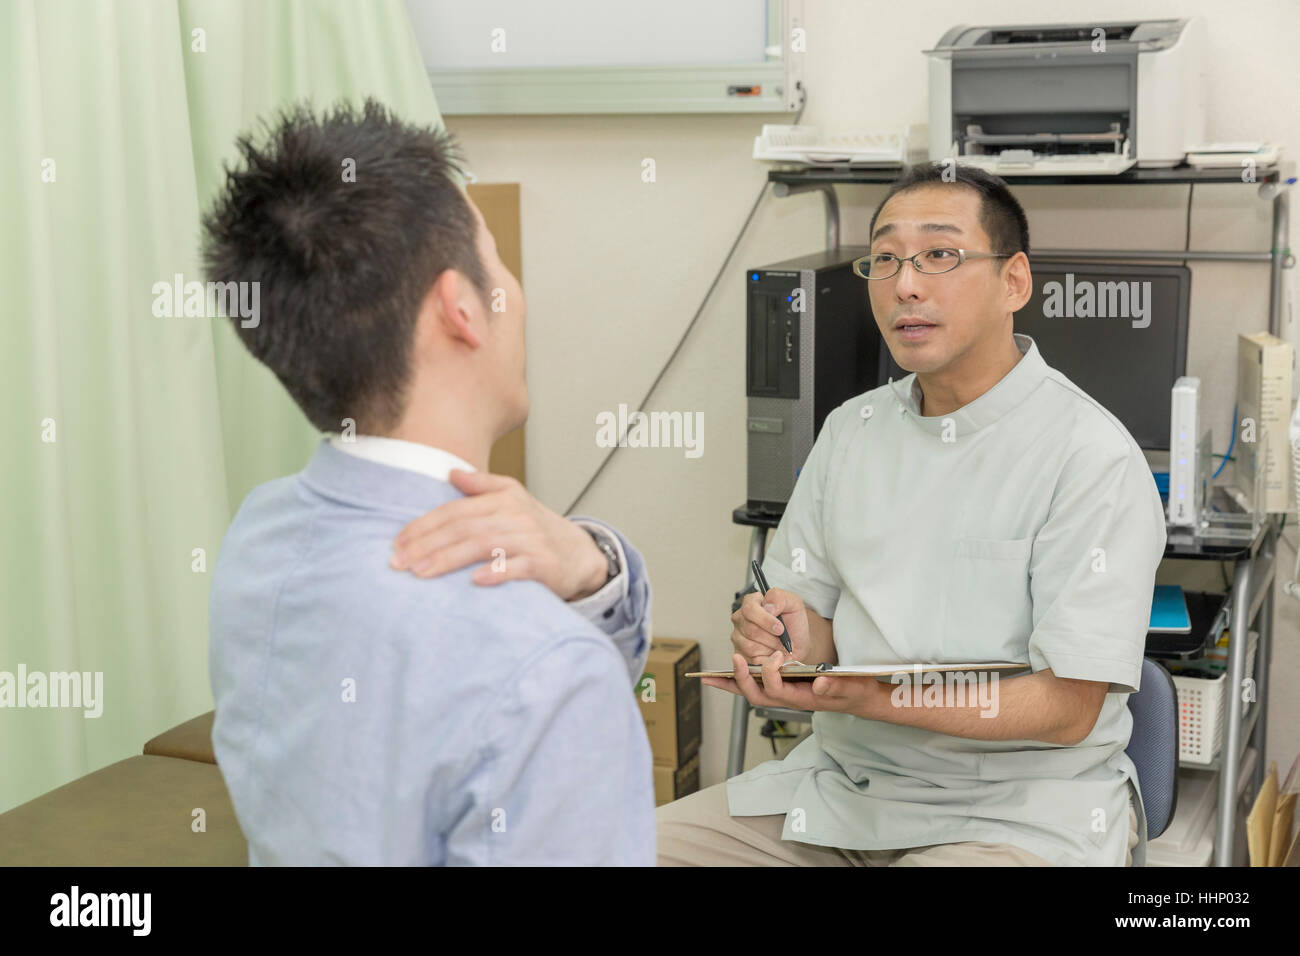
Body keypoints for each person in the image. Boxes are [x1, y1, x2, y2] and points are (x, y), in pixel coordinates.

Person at [658, 162, 1165, 867]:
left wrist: (870, 699)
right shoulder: (850, 432)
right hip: (842, 788)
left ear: (1013, 281)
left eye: (939, 255)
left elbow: (1067, 707)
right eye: (886, 259)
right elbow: (814, 630)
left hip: (1017, 812)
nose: (906, 284)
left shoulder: (1090, 456)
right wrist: (790, 639)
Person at [203, 99, 653, 865]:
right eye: (496, 263)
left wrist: (588, 567)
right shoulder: (549, 675)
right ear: (462, 309)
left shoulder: (260, 535)